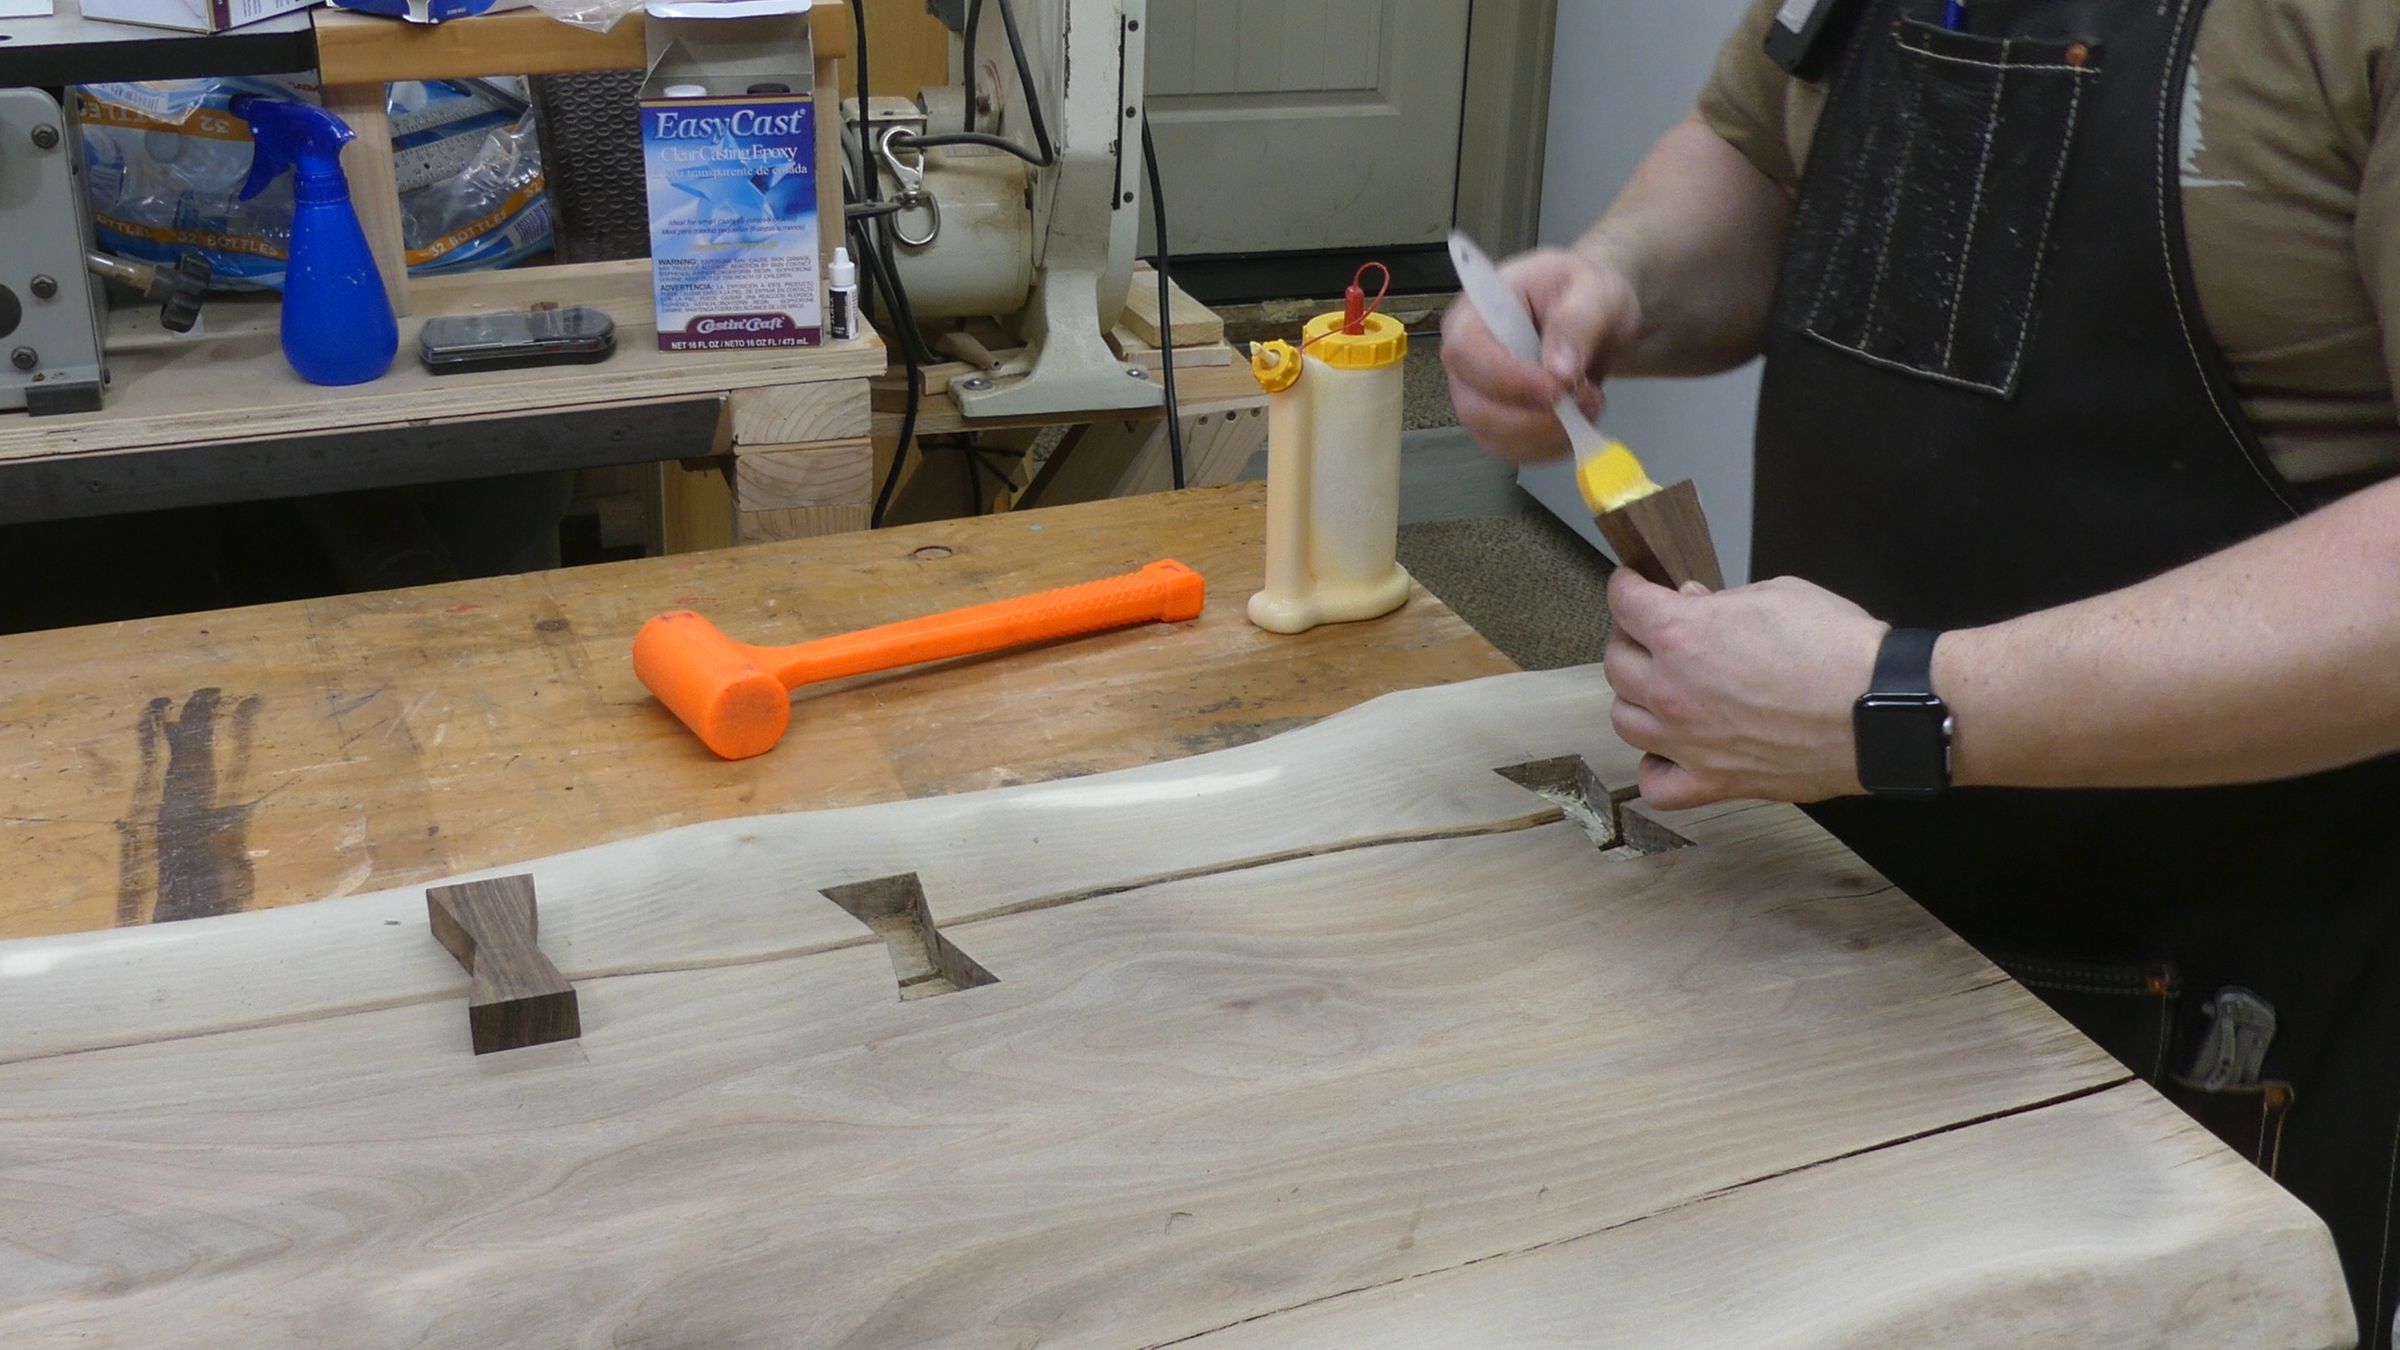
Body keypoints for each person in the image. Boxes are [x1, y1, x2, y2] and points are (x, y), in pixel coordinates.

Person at [1444, 0, 2400, 1340]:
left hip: (2186, 1042)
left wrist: (1896, 700)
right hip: (1820, 926)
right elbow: (1759, 153)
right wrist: (1617, 284)